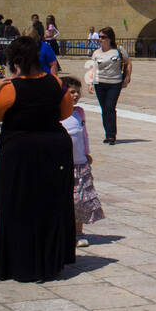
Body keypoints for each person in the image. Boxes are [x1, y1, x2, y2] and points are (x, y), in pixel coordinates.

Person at [0, 36, 77, 283]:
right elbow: (65, 113)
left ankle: (20, 261)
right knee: (50, 203)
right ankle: (51, 260)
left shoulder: (8, 88)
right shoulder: (57, 83)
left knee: (17, 203)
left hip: (19, 150)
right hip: (53, 148)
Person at [60, 76, 104, 247]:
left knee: (80, 201)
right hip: (63, 165)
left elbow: (83, 134)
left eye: (78, 92)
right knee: (65, 199)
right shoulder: (56, 114)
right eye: (71, 92)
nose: (75, 95)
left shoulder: (79, 112)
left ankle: (78, 232)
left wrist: (87, 153)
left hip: (80, 163)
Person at [91, 27, 131, 144]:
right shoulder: (96, 53)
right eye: (99, 37)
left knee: (110, 107)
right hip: (99, 83)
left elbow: (128, 63)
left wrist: (127, 77)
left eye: (103, 37)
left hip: (114, 83)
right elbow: (93, 68)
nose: (100, 39)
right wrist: (90, 82)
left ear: (110, 38)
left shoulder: (119, 50)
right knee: (104, 109)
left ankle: (112, 135)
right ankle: (107, 134)